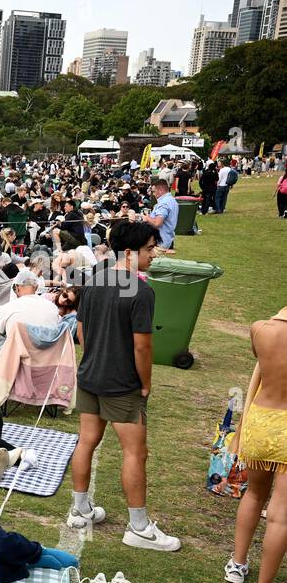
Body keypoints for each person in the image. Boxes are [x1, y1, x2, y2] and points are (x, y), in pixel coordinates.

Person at [67, 221, 178, 551]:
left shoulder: (94, 280)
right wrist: (146, 384)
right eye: (148, 248)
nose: (153, 254)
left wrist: (94, 359)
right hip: (120, 383)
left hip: (90, 376)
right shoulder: (141, 291)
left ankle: (80, 509)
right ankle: (139, 527)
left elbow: (82, 331)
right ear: (129, 253)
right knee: (136, 452)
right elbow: (141, 347)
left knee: (87, 441)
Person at [227, 305, 287, 583]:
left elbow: (260, 362)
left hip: (260, 421)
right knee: (281, 514)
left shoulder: (260, 328)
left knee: (254, 493)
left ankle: (237, 564)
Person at [145, 178, 179, 251]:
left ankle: (125, 262)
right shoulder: (172, 200)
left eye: (154, 192)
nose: (153, 194)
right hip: (165, 239)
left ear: (161, 190)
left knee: (129, 253)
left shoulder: (164, 203)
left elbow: (157, 223)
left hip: (159, 242)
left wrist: (146, 218)